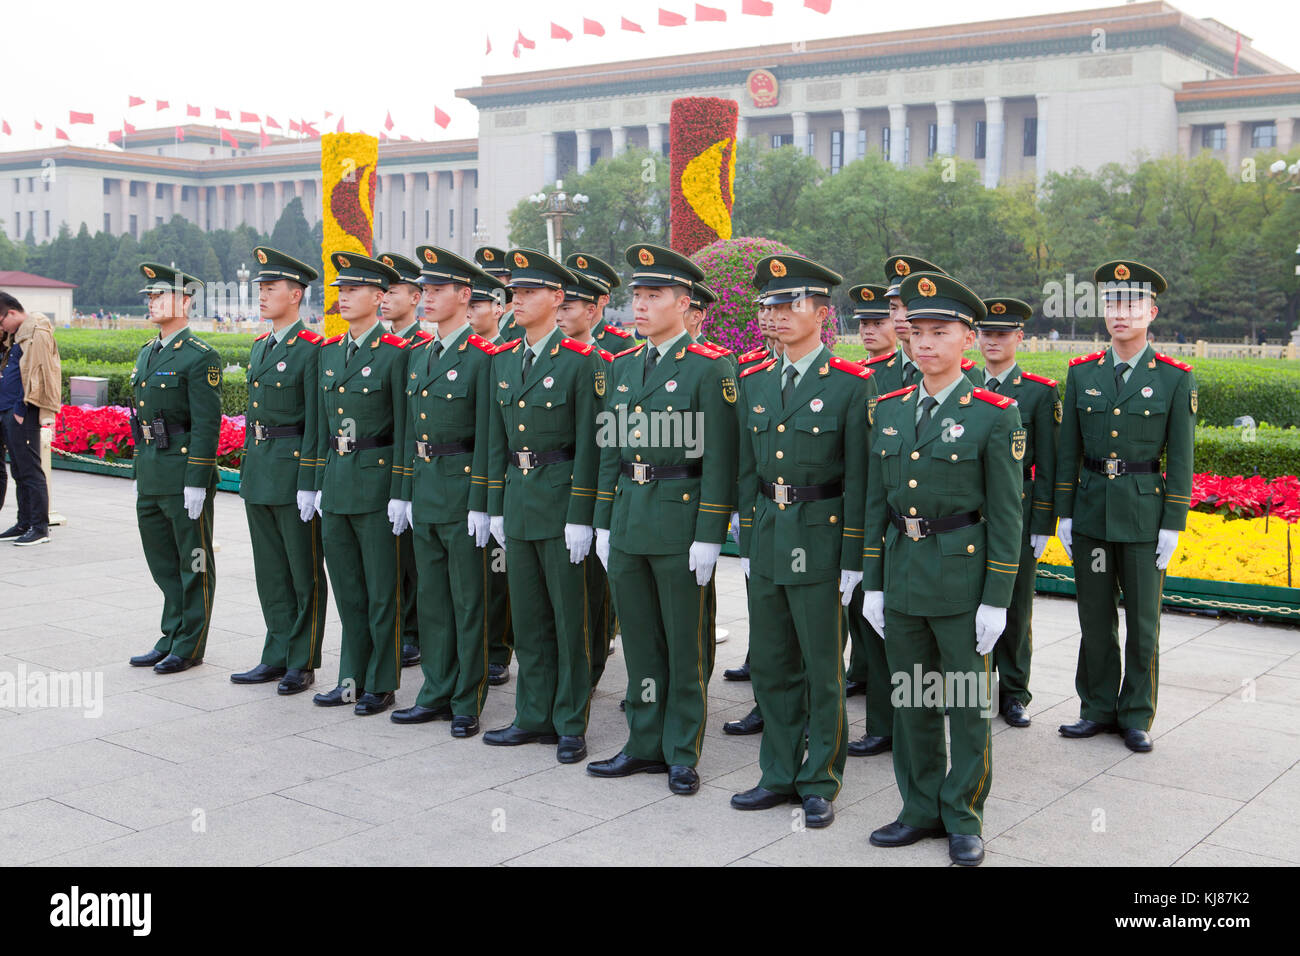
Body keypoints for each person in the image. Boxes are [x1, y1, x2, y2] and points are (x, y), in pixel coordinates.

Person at [862, 271, 1023, 866]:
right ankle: (918, 807)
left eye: (940, 332)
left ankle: (963, 813)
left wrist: (997, 596)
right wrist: (873, 583)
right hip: (903, 573)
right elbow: (879, 505)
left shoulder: (992, 414)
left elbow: (1007, 513)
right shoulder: (889, 409)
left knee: (966, 703)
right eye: (918, 332)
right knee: (912, 699)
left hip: (962, 577)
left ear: (968, 339)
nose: (924, 343)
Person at [585, 244, 737, 796]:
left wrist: (709, 535)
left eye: (653, 297)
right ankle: (643, 741)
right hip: (629, 516)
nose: (640, 306)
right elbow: (610, 450)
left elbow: (720, 458)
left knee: (684, 641)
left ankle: (681, 749)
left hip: (679, 518)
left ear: (684, 303)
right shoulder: (622, 366)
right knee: (641, 642)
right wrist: (602, 520)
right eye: (637, 296)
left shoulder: (708, 368)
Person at [732, 254, 874, 828]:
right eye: (770, 304)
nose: (778, 314)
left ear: (823, 315)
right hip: (768, 534)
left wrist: (854, 557)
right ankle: (777, 773)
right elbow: (747, 468)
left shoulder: (850, 386)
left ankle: (819, 779)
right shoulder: (755, 380)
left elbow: (863, 479)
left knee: (821, 668)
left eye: (791, 304)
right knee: (770, 663)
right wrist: (745, 533)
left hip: (821, 537)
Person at [1055, 260, 1195, 754]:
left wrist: (1173, 522)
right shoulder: (1082, 373)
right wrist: (1065, 512)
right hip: (1092, 512)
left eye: (1132, 304)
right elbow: (1068, 450)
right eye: (1113, 303)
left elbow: (1180, 458)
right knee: (1094, 618)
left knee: (1142, 621)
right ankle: (1095, 707)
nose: (1121, 313)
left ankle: (1135, 713)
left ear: (1151, 311)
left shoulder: (1175, 379)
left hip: (1142, 515)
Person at [483, 248, 603, 764]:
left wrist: (583, 516)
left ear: (558, 299)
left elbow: (593, 445)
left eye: (530, 292)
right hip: (519, 498)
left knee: (568, 616)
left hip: (561, 503)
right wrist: (492, 504)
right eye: (515, 292)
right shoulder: (504, 359)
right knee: (528, 616)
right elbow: (494, 439)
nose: (519, 300)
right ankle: (532, 715)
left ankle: (570, 721)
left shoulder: (582, 361)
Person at [389, 246, 498, 737]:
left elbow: (492, 437)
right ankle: (434, 689)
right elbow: (410, 431)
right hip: (427, 487)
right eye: (424, 290)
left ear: (464, 295)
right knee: (432, 597)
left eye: (436, 290)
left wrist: (482, 501)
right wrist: (403, 490)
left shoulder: (484, 358)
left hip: (461, 491)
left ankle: (466, 698)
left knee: (468, 598)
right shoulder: (418, 355)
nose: (427, 298)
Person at [311, 252, 410, 716]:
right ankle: (350, 678)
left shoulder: (397, 354)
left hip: (376, 479)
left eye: (353, 290)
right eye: (340, 291)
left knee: (380, 589)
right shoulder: (329, 352)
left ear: (379, 297)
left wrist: (401, 491)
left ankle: (382, 681)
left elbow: (409, 429)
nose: (344, 297)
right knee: (347, 588)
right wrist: (313, 482)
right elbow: (319, 425)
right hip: (337, 479)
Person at [229, 247, 328, 695]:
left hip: (291, 472)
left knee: (302, 568)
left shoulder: (311, 349)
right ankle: (275, 650)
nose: (263, 296)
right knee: (270, 569)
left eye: (272, 289)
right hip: (261, 468)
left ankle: (302, 659)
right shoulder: (259, 346)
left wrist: (310, 480)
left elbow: (317, 422)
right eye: (261, 289)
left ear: (296, 295)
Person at [125, 264, 223, 674]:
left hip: (183, 472)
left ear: (185, 302)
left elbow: (207, 423)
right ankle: (171, 633)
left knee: (193, 559)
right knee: (162, 560)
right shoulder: (149, 351)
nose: (152, 302)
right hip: (151, 470)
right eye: (149, 296)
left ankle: (190, 642)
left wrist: (197, 479)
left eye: (160, 296)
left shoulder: (201, 357)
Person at [974, 297, 1060, 727]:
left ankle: (1013, 692)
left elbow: (1048, 464)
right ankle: (976, 690)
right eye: (986, 333)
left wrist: (1043, 520)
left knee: (1014, 603)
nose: (993, 341)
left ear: (1019, 338)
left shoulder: (1038, 392)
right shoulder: (962, 383)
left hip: (1018, 510)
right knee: (971, 601)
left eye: (1002, 334)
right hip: (969, 512)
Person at [841, 283, 900, 756]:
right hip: (873, 513)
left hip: (937, 529)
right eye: (893, 309)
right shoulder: (865, 376)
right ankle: (882, 721)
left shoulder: (961, 378)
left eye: (899, 311)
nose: (898, 318)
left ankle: (923, 710)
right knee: (874, 621)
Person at [555, 266, 619, 691]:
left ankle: (590, 667)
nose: (561, 313)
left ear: (594, 311)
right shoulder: (548, 358)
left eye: (569, 306)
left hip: (590, 493)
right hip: (544, 495)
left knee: (589, 592)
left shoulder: (609, 363)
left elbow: (603, 443)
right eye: (557, 305)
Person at [465, 269, 515, 688]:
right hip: (484, 482)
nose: (471, 311)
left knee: (500, 577)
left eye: (477, 304)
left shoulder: (501, 355)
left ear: (499, 309)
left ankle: (499, 649)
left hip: (511, 484)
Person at [379, 251, 428, 669]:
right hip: (382, 466)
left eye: (392, 291)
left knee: (412, 556)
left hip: (413, 463)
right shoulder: (382, 345)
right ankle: (399, 626)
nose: (384, 299)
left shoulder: (422, 347)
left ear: (415, 297)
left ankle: (414, 631)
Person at [0, 297, 60, 546]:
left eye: (2, 321)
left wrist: (21, 409)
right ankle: (24, 522)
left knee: (29, 470)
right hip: (8, 410)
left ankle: (39, 527)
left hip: (22, 411)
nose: (2, 328)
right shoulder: (18, 335)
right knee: (18, 470)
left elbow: (39, 372)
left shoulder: (36, 330)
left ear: (11, 313)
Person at [566, 252, 632, 355]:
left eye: (588, 294)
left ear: (605, 299)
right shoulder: (560, 336)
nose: (581, 300)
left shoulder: (619, 342)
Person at [475, 246, 518, 340]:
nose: (490, 286)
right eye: (486, 280)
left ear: (511, 282)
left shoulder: (523, 327)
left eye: (496, 280)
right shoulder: (475, 323)